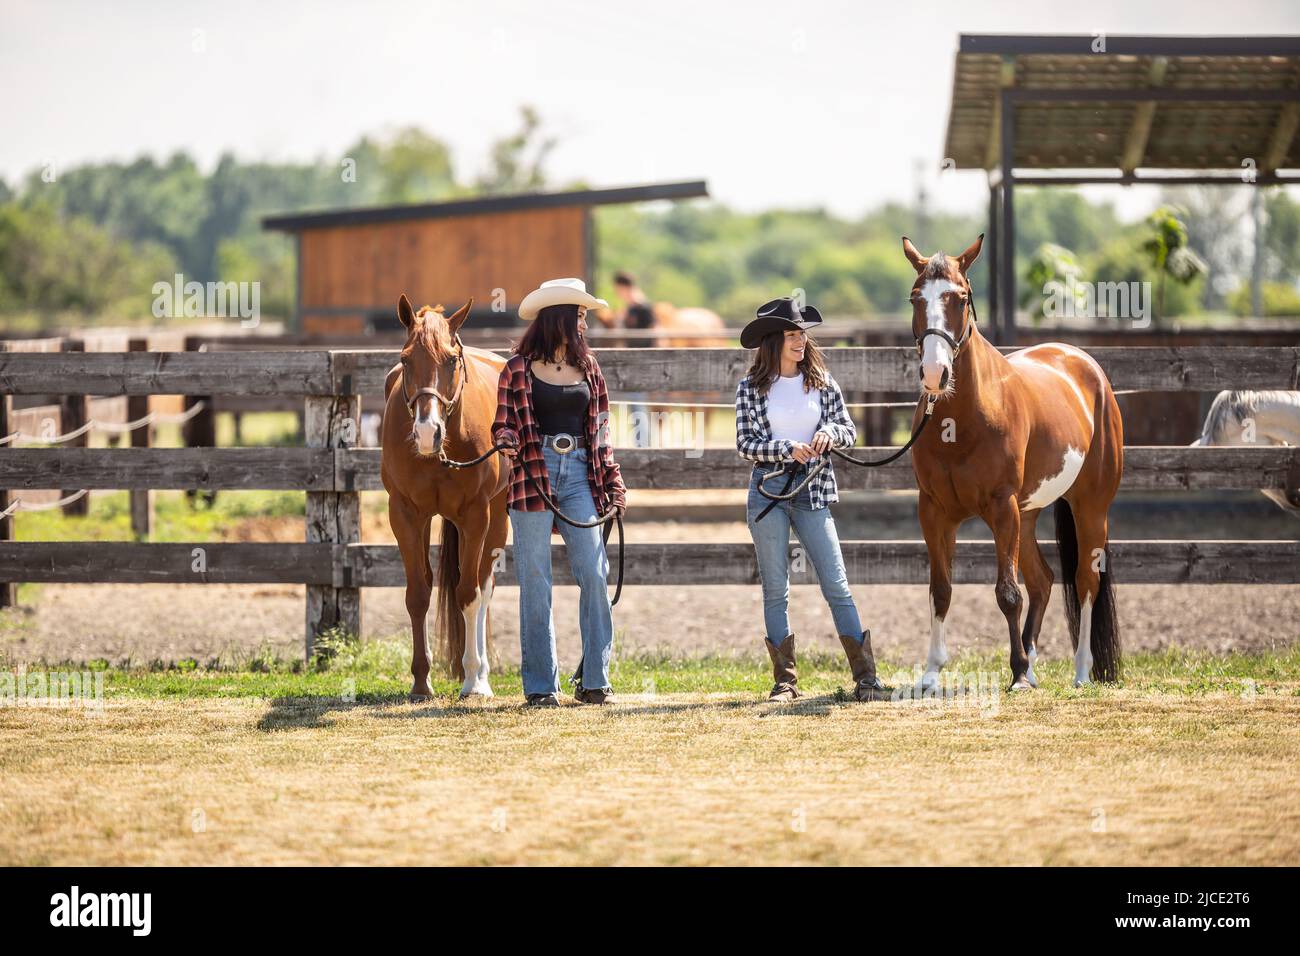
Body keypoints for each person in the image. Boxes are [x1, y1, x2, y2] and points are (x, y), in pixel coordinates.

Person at [735, 297, 888, 702]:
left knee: (837, 584)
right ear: (773, 341)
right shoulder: (750, 389)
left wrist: (829, 435)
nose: (800, 341)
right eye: (791, 335)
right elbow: (745, 443)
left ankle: (866, 678)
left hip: (814, 491)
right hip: (769, 493)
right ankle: (785, 681)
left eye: (802, 333)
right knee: (775, 588)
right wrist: (786, 448)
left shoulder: (822, 382)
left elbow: (848, 430)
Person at [493, 278, 628, 707]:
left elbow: (602, 432)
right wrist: (506, 439)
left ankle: (595, 679)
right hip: (534, 470)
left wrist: (613, 481)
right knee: (535, 581)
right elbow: (502, 423)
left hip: (581, 474)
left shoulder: (590, 369)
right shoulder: (516, 369)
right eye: (581, 315)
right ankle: (539, 686)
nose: (586, 323)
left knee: (594, 571)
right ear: (562, 319)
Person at [612, 271, 655, 447]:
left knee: (637, 402)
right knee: (635, 402)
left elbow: (649, 334)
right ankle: (641, 441)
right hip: (633, 360)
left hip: (639, 361)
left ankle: (642, 443)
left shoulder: (641, 307)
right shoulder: (632, 307)